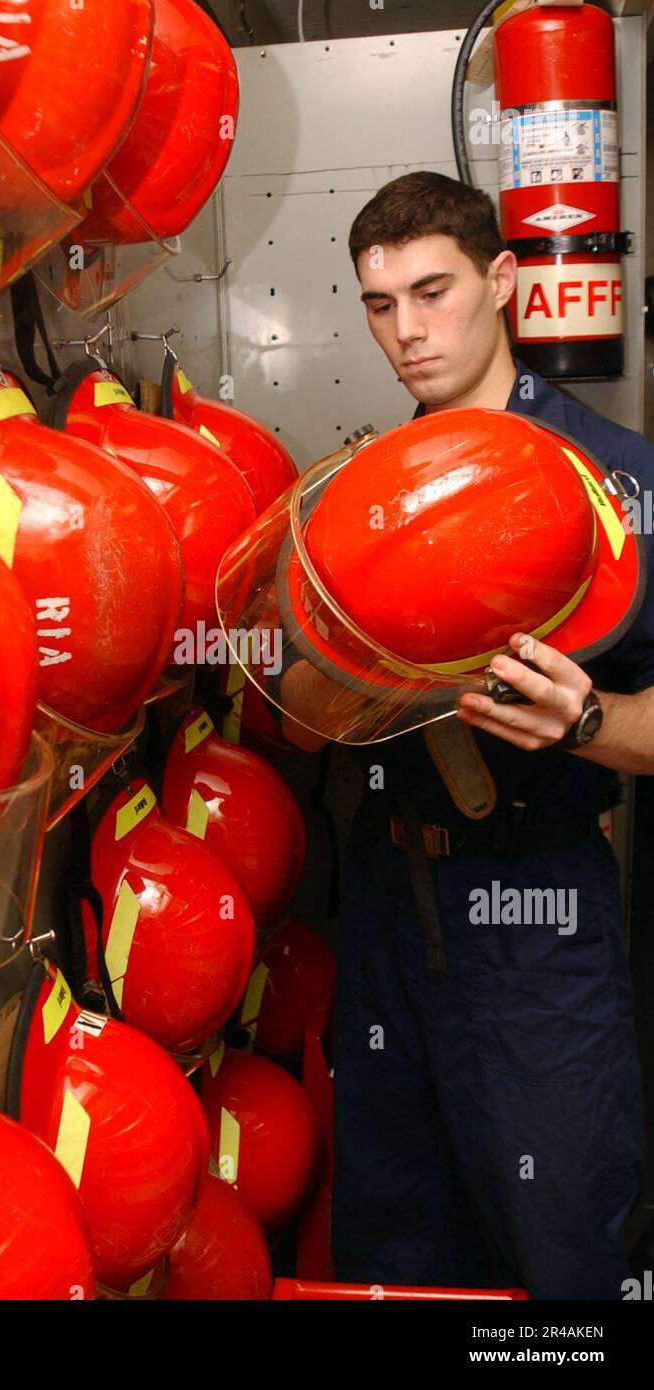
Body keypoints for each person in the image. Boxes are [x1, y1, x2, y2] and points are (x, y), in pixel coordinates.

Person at [280, 171, 654, 1299]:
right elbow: (298, 696)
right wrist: (335, 683)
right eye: (380, 304)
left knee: (567, 1249)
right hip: (391, 904)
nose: (407, 330)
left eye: (432, 291)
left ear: (501, 281)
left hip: (538, 920)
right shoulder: (360, 497)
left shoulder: (617, 482)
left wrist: (584, 718)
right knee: (396, 1250)